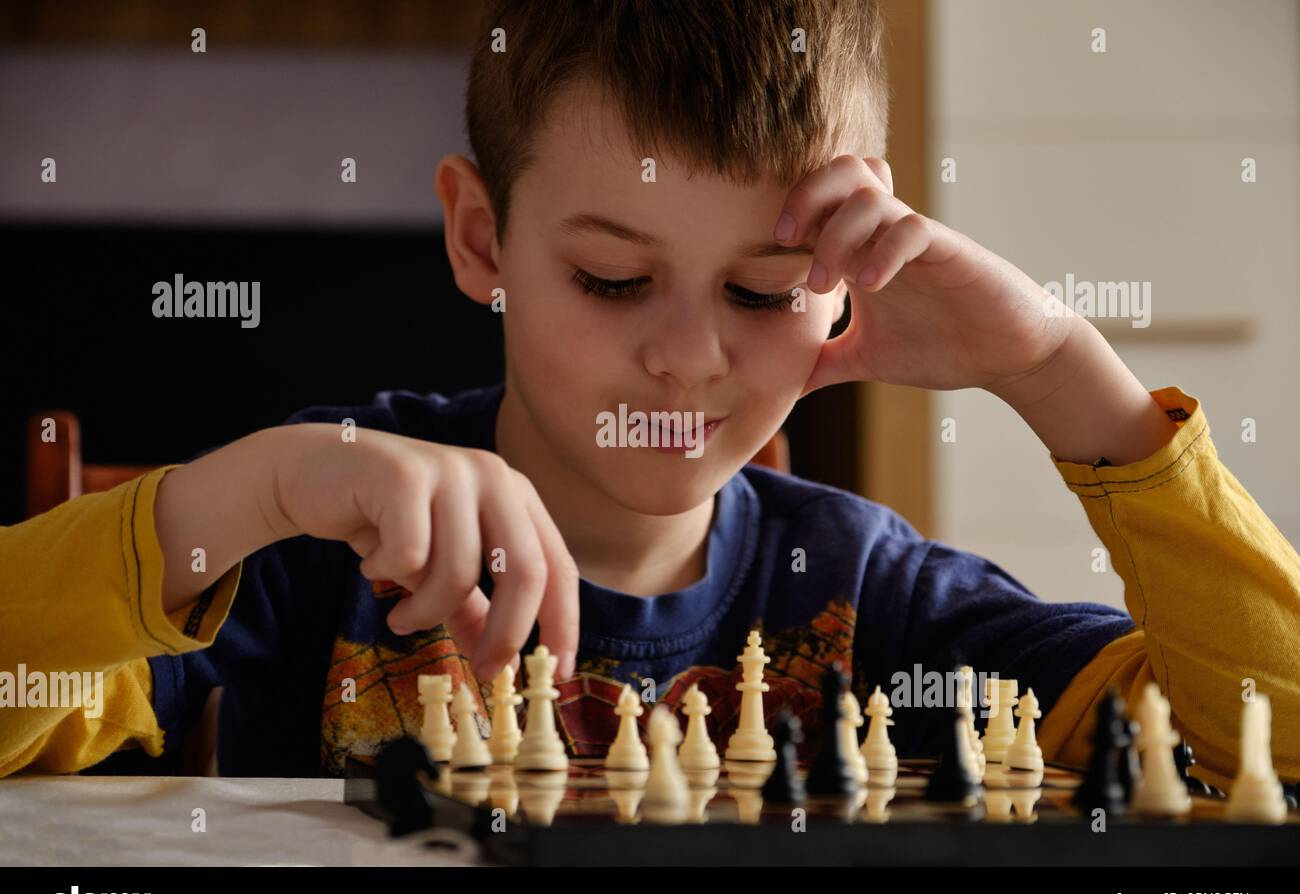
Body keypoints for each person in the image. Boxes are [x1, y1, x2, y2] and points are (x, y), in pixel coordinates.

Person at [2, 0, 1296, 789]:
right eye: (615, 280)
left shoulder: (874, 593)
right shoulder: (318, 539)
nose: (688, 361)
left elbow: (1266, 749)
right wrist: (258, 486)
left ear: (849, 273)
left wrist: (1059, 370)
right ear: (481, 239)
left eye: (762, 289)